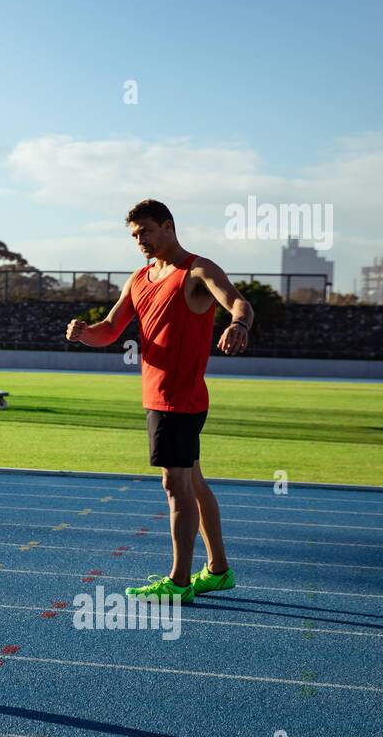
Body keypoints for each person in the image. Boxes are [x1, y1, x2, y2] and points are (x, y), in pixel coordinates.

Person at [64, 199, 253, 603]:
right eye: (134, 235)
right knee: (193, 482)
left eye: (146, 231)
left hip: (178, 400)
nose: (140, 241)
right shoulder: (140, 278)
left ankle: (179, 582)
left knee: (175, 484)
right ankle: (218, 569)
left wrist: (238, 324)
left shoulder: (197, 270)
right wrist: (84, 333)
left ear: (168, 226)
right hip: (161, 398)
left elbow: (239, 302)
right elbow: (110, 330)